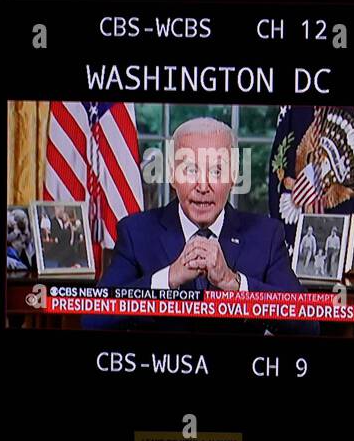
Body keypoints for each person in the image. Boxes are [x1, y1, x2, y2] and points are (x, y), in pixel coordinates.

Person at [84, 117, 311, 332]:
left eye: (216, 171)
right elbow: (93, 318)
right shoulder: (136, 233)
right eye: (190, 170)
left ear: (233, 176)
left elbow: (308, 325)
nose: (203, 186)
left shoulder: (266, 236)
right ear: (172, 175)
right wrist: (168, 278)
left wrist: (233, 283)